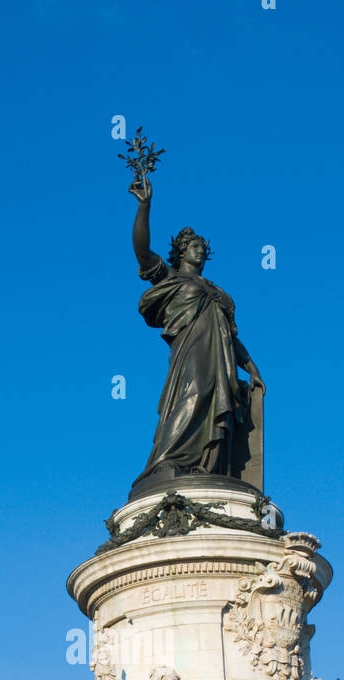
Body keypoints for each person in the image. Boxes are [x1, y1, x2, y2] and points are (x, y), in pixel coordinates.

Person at [129, 176, 265, 491]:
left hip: (222, 362)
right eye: (193, 247)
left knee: (219, 405)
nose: (199, 252)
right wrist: (144, 206)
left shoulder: (219, 292)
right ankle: (169, 460)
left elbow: (231, 338)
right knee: (192, 396)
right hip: (191, 354)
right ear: (180, 251)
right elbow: (142, 251)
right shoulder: (172, 278)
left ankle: (208, 467)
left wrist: (251, 367)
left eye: (203, 248)